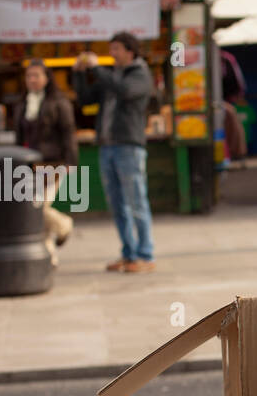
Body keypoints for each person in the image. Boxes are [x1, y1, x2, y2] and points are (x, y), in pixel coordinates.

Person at [72, 32, 156, 273]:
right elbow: (85, 98)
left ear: (130, 51)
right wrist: (78, 73)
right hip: (107, 146)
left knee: (136, 201)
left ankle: (145, 255)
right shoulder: (113, 77)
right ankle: (129, 254)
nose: (112, 53)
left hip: (129, 145)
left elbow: (125, 92)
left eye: (116, 48)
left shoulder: (139, 74)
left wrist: (98, 69)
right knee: (118, 204)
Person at [12, 58, 76, 266]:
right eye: (29, 76)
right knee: (36, 209)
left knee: (38, 207)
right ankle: (50, 256)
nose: (32, 80)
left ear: (47, 78)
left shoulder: (59, 102)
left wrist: (71, 163)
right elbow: (19, 137)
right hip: (29, 165)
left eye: (36, 75)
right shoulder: (22, 103)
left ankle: (65, 225)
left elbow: (69, 134)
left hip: (53, 163)